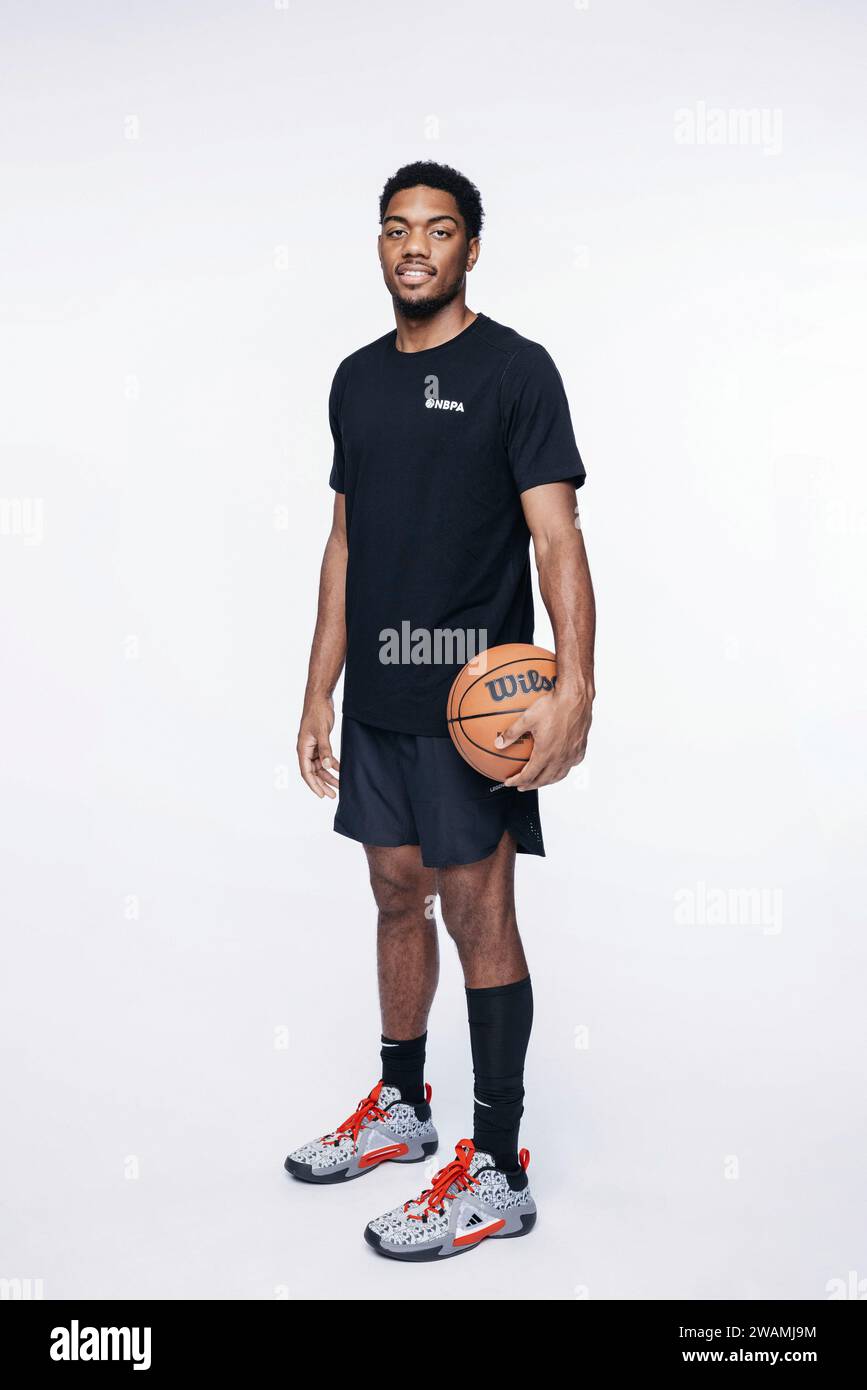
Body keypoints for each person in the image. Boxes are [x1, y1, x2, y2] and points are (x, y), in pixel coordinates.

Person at [285, 161, 596, 1262]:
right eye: (396, 229)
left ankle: (501, 1168)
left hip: (479, 704)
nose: (415, 245)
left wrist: (577, 687)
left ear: (472, 246)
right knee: (391, 891)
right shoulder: (355, 381)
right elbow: (345, 543)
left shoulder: (517, 370)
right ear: (380, 246)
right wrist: (319, 688)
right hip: (377, 695)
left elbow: (557, 540)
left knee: (479, 916)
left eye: (439, 229)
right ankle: (404, 1105)